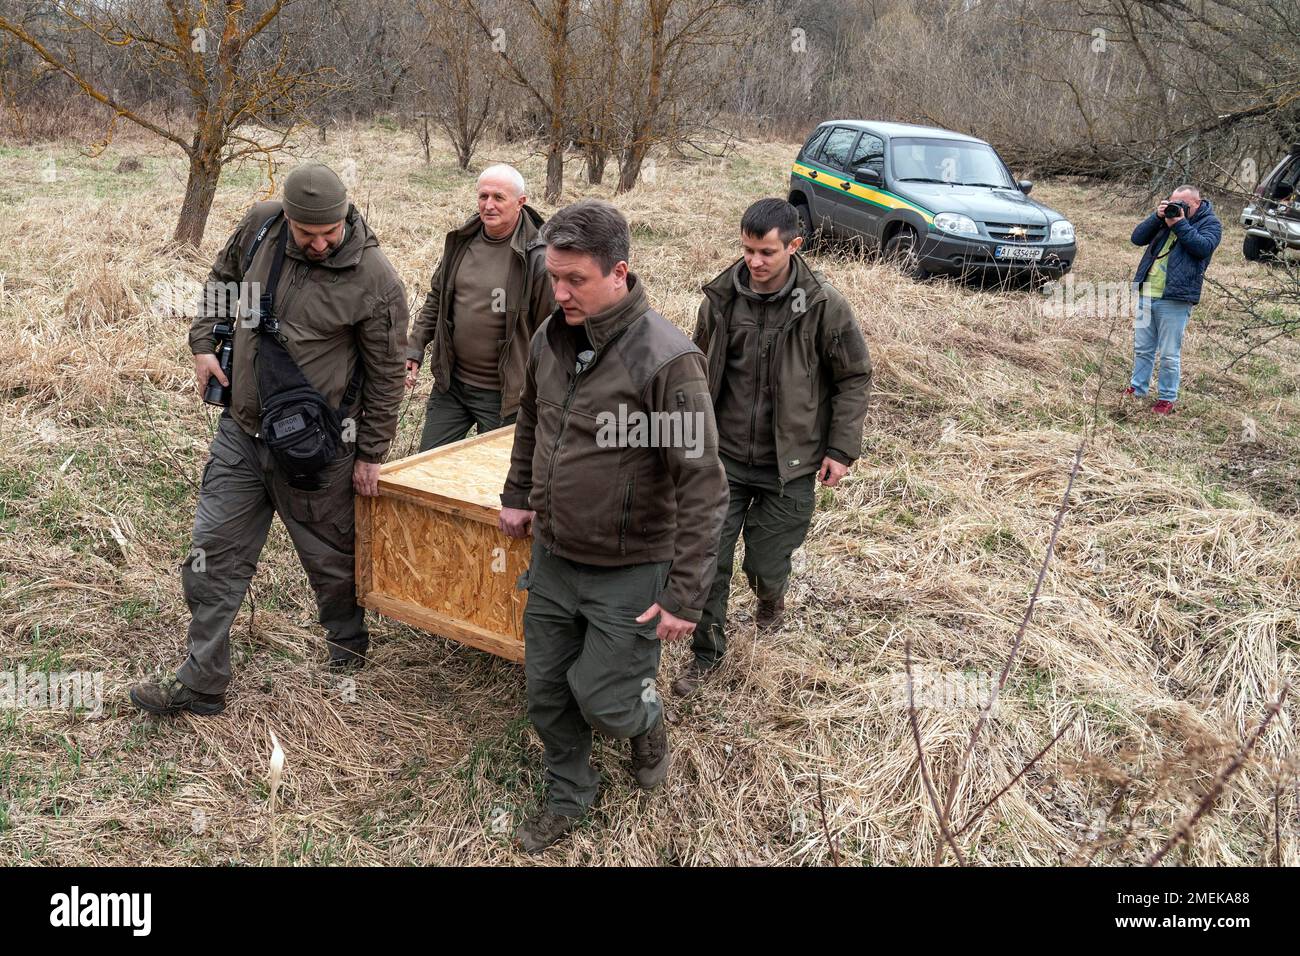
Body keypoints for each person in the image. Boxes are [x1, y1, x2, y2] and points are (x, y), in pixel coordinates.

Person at [129, 162, 409, 716]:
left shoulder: (375, 279)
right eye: (308, 234)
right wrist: (204, 340)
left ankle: (347, 652)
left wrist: (371, 454)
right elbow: (222, 277)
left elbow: (386, 377)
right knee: (213, 551)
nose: (321, 243)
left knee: (330, 559)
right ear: (287, 217)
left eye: (330, 232)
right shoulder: (260, 227)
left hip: (318, 448)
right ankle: (203, 680)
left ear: (345, 218)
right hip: (242, 429)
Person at [497, 198, 727, 852]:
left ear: (619, 272)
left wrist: (685, 593)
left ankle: (644, 719)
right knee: (545, 690)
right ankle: (570, 790)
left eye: (576, 281)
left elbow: (704, 482)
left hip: (630, 567)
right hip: (556, 556)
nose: (560, 292)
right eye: (553, 277)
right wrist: (518, 491)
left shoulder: (665, 359)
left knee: (601, 698)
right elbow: (534, 421)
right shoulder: (551, 337)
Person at [673, 198, 872, 698]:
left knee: (764, 561)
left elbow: (853, 377)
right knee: (707, 561)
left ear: (794, 246)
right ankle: (706, 655)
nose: (754, 263)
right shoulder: (720, 301)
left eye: (765, 252)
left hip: (792, 464)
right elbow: (697, 371)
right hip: (723, 460)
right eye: (747, 250)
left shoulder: (823, 305)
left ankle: (770, 599)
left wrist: (841, 448)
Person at [405, 164, 554, 449]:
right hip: (452, 385)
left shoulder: (538, 257)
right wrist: (415, 346)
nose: (489, 205)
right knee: (426, 468)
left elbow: (550, 330)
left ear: (520, 202)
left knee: (493, 481)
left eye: (499, 197)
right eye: (483, 196)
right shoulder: (461, 241)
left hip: (505, 396)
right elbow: (437, 297)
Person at [1124, 185, 1222, 415]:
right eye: (1172, 203)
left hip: (1176, 297)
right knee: (1142, 348)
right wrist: (1156, 217)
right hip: (1148, 291)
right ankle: (1138, 389)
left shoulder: (1211, 224)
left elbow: (1203, 248)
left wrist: (1179, 223)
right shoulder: (1164, 219)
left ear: (1197, 204)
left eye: (1182, 204)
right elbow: (1137, 238)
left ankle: (1167, 398)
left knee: (1169, 353)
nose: (1176, 208)